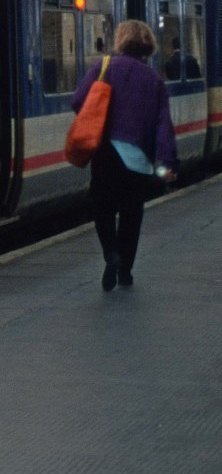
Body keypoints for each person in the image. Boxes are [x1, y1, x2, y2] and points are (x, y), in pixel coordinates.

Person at [71, 18, 178, 291]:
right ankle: (126, 272)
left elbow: (77, 101)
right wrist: (167, 164)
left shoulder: (104, 67)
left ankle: (111, 254)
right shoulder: (154, 81)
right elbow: (163, 127)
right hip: (138, 161)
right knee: (132, 216)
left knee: (103, 209)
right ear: (148, 46)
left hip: (105, 154)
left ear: (121, 41)